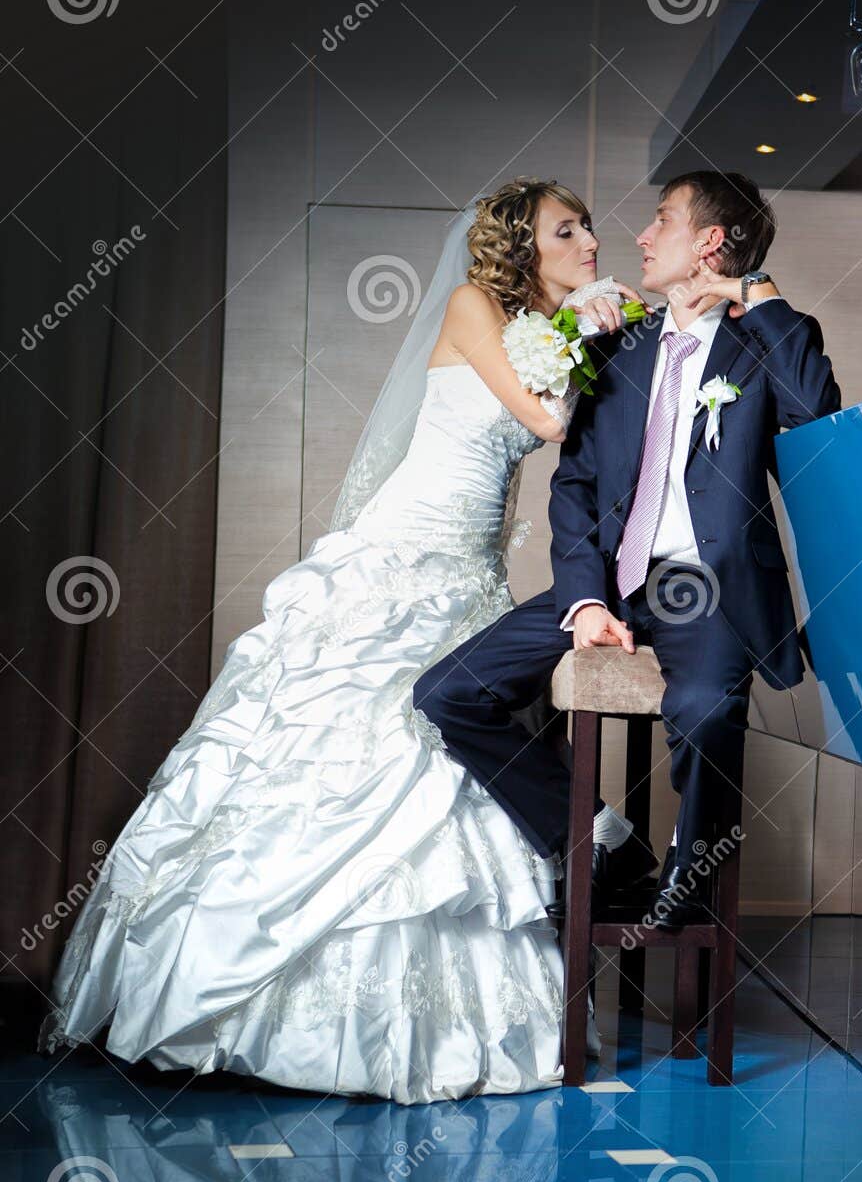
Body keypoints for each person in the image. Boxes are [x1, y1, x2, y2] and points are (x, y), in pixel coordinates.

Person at [39, 178, 636, 1103]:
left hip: (470, 573)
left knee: (445, 742)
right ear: (521, 246)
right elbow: (545, 419)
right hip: (401, 551)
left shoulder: (555, 321)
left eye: (589, 227)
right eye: (569, 230)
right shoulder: (472, 305)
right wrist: (587, 330)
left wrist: (596, 329)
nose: (591, 241)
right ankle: (231, 1002)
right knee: (341, 740)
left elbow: (582, 444)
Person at [414, 170, 841, 928]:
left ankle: (689, 868)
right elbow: (574, 484)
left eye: (661, 220)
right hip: (606, 581)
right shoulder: (621, 344)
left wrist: (759, 293)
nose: (639, 237)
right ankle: (596, 839)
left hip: (703, 586)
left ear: (709, 241)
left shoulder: (769, 337)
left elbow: (813, 415)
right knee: (447, 695)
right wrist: (581, 600)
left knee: (706, 710)